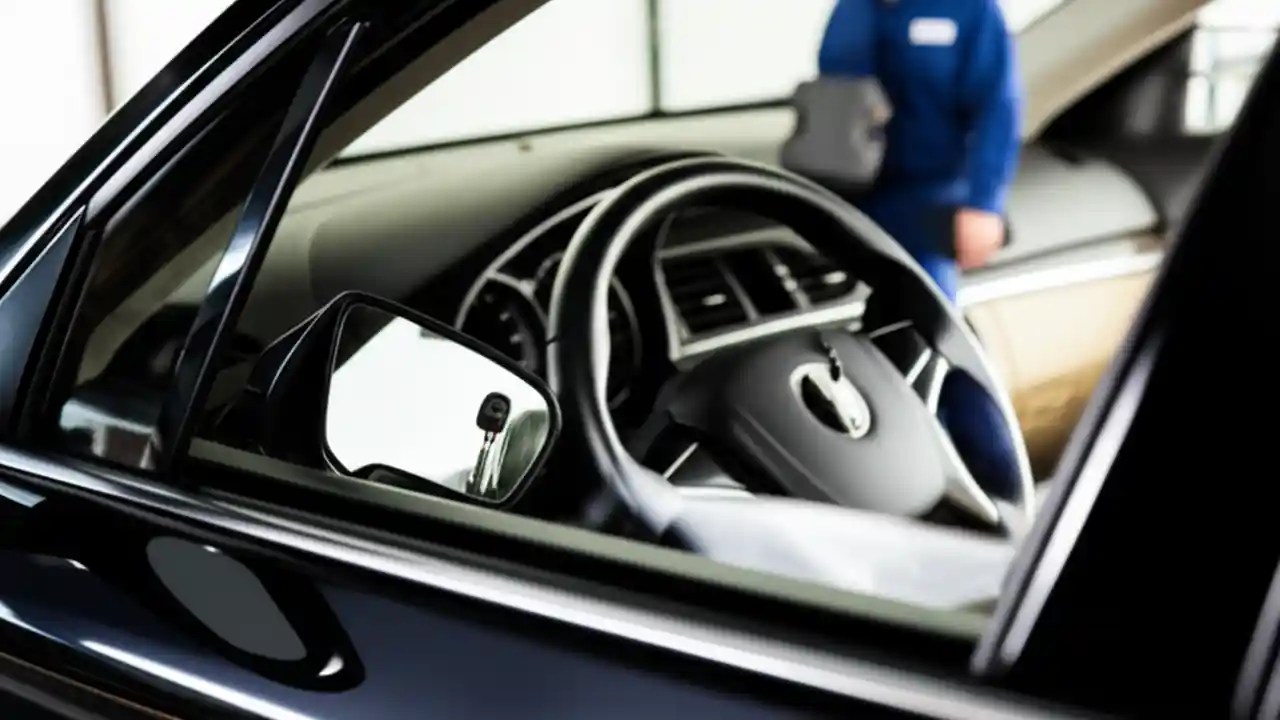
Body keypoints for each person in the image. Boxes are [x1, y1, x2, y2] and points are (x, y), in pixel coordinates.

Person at [818, 0, 1025, 504]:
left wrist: (984, 202)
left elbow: (998, 107)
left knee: (938, 339)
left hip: (931, 201)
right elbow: (831, 97)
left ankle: (993, 484)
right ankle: (880, 483)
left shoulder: (972, 11)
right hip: (855, 201)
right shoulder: (855, 9)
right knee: (860, 348)